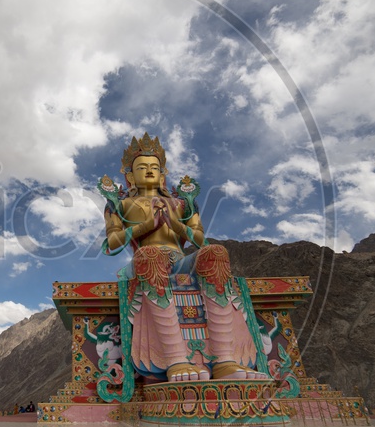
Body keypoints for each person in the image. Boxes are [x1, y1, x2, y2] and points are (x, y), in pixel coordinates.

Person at [101, 133, 267, 383]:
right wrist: (146, 226)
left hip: (181, 259)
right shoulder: (121, 204)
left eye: (154, 167)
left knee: (216, 253)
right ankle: (175, 359)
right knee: (151, 255)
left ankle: (225, 360)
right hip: (147, 259)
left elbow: (202, 241)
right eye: (141, 167)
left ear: (163, 173)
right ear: (130, 175)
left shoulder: (182, 203)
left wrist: (177, 226)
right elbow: (110, 245)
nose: (148, 171)